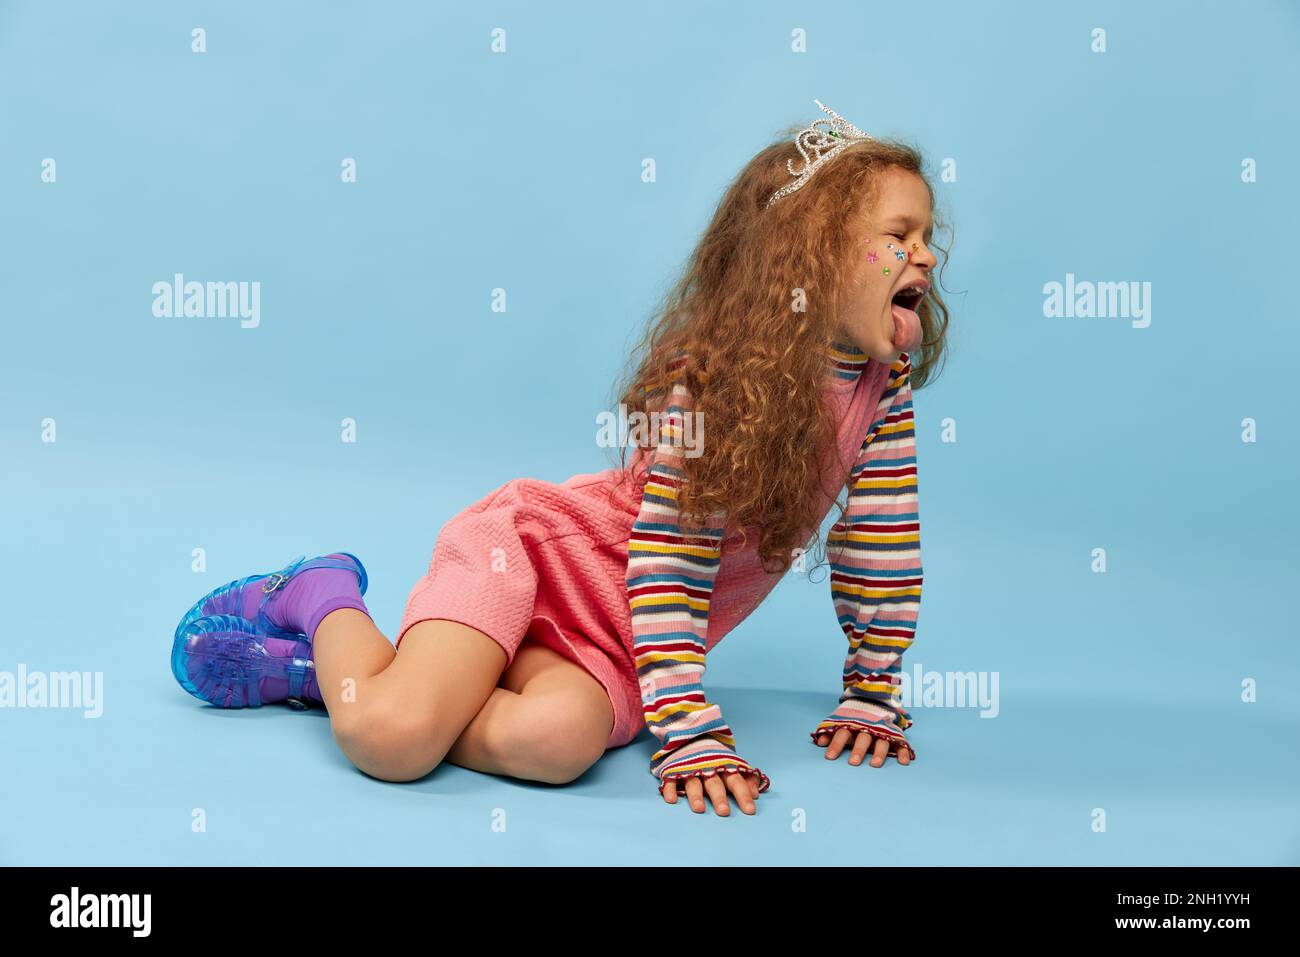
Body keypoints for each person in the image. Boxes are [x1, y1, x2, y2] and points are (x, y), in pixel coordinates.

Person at [171, 100, 951, 817]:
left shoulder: (883, 388)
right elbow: (672, 558)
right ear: (811, 256)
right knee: (393, 741)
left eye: (927, 235)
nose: (927, 255)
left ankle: (330, 680)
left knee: (559, 745)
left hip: (619, 635)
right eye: (900, 235)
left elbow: (881, 542)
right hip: (538, 558)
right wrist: (686, 725)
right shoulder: (706, 382)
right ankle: (321, 592)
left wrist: (871, 689)